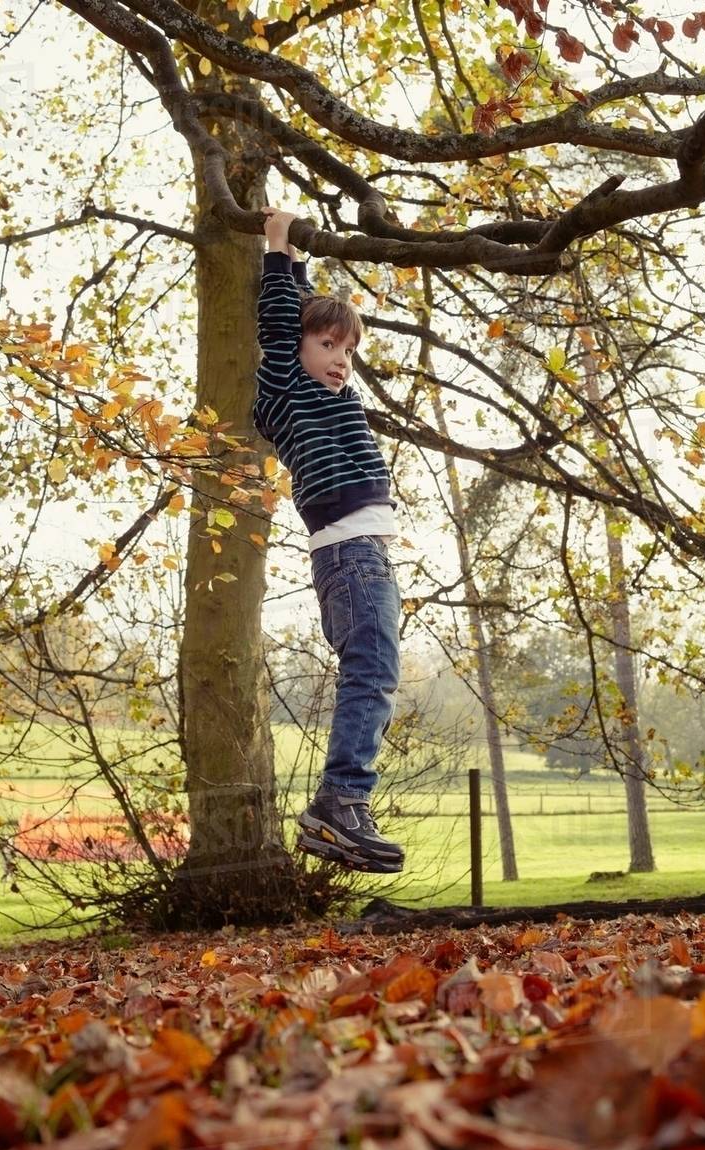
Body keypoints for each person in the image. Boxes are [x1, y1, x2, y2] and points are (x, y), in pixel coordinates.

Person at [254, 207, 404, 874]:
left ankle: (337, 813)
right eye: (329, 347)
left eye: (349, 349)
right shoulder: (286, 385)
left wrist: (302, 263)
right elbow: (285, 322)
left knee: (376, 671)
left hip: (365, 553)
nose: (343, 360)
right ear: (297, 350)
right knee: (372, 670)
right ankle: (340, 802)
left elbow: (309, 317)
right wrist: (278, 245)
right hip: (351, 554)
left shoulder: (329, 391)